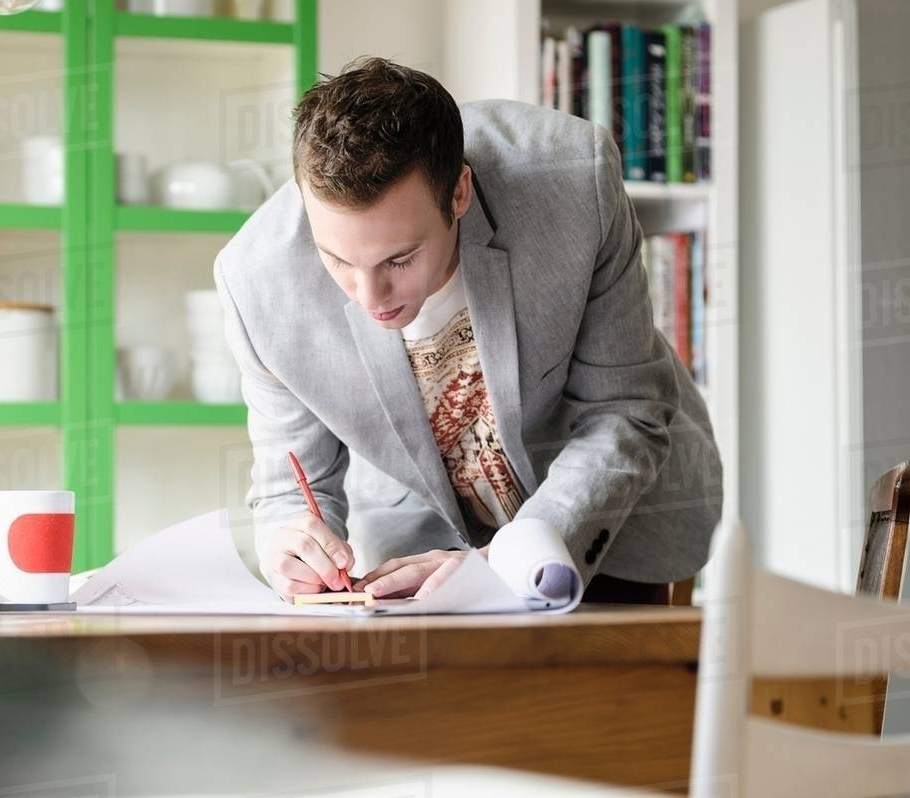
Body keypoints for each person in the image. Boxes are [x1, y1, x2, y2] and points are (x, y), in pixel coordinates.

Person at [213, 57, 722, 605]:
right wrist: (288, 545)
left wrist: (510, 557)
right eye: (336, 259)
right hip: (414, 541)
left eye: (399, 259)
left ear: (458, 194)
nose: (369, 297)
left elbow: (623, 407)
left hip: (604, 520)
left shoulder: (572, 181)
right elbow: (290, 488)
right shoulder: (256, 282)